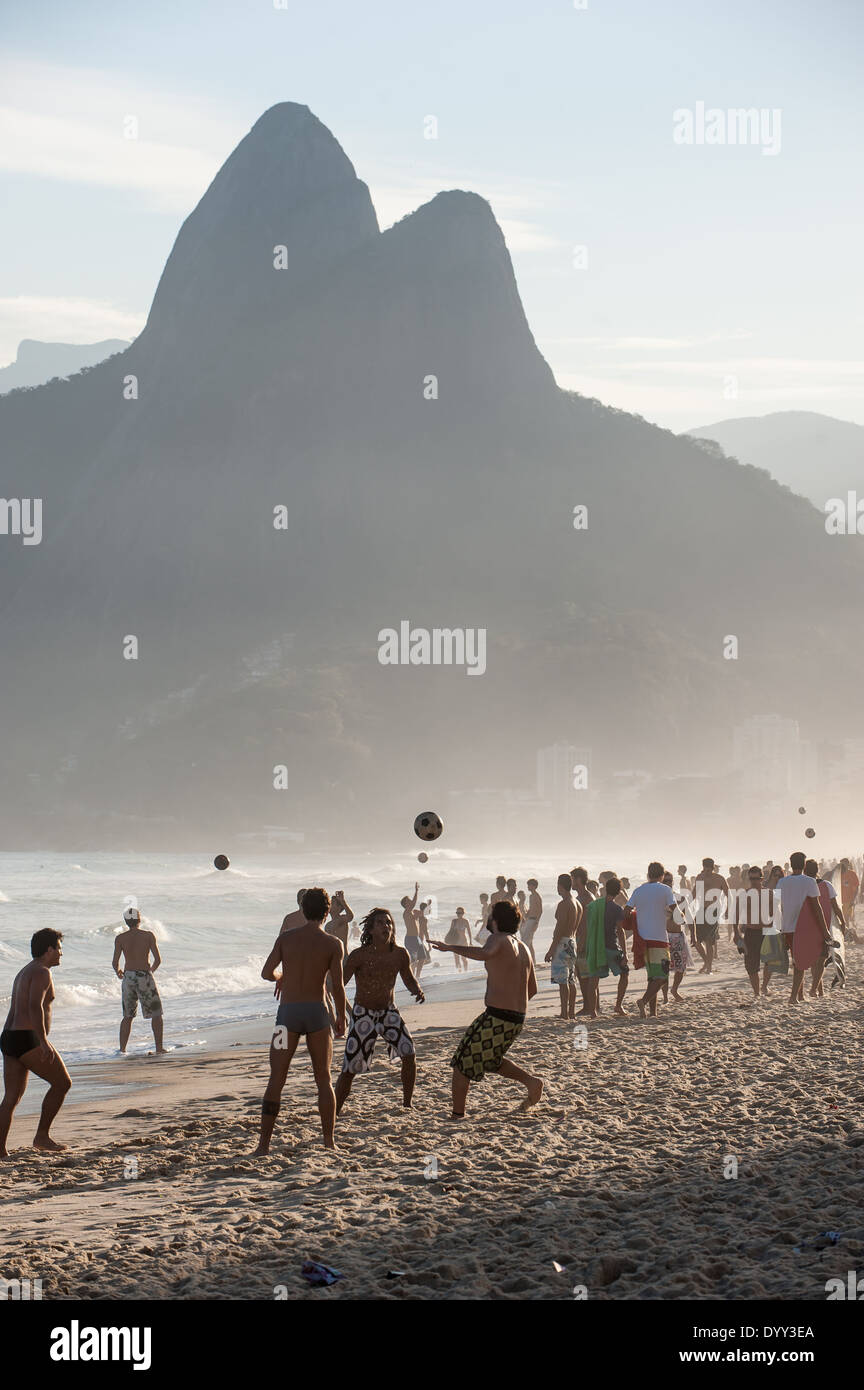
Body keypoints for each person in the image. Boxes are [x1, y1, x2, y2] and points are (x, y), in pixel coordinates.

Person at [253, 887, 345, 1154]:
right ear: (327, 912)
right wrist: (340, 1016)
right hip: (317, 1014)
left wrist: (282, 977)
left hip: (287, 1017)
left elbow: (266, 973)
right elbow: (338, 986)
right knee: (323, 1079)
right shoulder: (333, 944)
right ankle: (329, 1142)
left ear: (303, 910)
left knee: (276, 1079)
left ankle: (263, 1146)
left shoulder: (286, 939)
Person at [431, 901, 542, 1118]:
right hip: (517, 1018)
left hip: (497, 1016)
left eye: (490, 916)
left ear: (496, 920)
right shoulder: (524, 948)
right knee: (491, 1060)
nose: (488, 919)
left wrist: (450, 947)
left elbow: (485, 953)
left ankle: (457, 1115)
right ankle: (532, 1082)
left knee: (461, 1062)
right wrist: (513, 1005)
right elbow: (533, 989)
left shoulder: (498, 939)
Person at [335, 909, 424, 1113]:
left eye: (389, 923)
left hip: (388, 1012)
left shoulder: (400, 954)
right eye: (381, 923)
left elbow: (408, 978)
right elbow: (340, 984)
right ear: (371, 930)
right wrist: (339, 1009)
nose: (386, 926)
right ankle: (335, 1110)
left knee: (409, 1052)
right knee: (350, 1067)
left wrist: (417, 990)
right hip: (363, 1014)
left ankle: (407, 1103)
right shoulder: (359, 956)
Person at [0, 929, 70, 1157]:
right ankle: (42, 1137)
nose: (61, 953)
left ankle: (0, 1150)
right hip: (28, 1038)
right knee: (62, 1083)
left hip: (10, 1037)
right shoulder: (42, 971)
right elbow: (34, 1006)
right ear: (49, 949)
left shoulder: (25, 971)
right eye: (59, 948)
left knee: (11, 1097)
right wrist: (43, 1041)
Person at [776, 852, 831, 1006]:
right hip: (804, 927)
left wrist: (779, 928)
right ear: (804, 865)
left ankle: (800, 996)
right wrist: (825, 930)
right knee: (800, 964)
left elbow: (777, 906)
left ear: (791, 863)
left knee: (797, 960)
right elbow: (816, 907)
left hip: (787, 926)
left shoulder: (782, 882)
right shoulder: (809, 881)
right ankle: (793, 997)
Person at [624, 863, 677, 1018]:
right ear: (662, 875)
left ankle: (653, 1012)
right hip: (659, 939)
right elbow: (675, 909)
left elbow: (626, 911)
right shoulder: (665, 890)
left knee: (653, 978)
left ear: (648, 874)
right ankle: (643, 1001)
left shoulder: (638, 890)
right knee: (662, 977)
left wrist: (638, 918)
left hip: (643, 940)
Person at [112, 908, 165, 1055]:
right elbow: (158, 960)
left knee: (128, 1016)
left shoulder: (120, 938)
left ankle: (122, 1050)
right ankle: (159, 1048)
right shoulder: (148, 936)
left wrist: (119, 972)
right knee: (156, 1014)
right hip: (144, 975)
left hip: (128, 977)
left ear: (126, 921)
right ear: (139, 919)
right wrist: (150, 972)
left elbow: (115, 962)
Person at [584, 877, 629, 1016]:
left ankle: (593, 1012)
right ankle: (618, 1006)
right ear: (619, 892)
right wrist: (625, 954)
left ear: (605, 889)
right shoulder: (616, 909)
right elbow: (620, 931)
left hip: (596, 948)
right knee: (624, 973)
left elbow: (587, 926)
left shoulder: (593, 906)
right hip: (611, 948)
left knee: (593, 980)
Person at [731, 864, 775, 1002]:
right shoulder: (744, 894)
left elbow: (776, 913)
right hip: (751, 932)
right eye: (751, 879)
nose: (754, 881)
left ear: (762, 879)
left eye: (756, 879)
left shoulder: (769, 893)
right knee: (751, 964)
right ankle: (756, 992)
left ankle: (764, 987)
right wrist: (736, 933)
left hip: (767, 931)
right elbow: (736, 915)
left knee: (770, 962)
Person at [804, 859, 844, 998]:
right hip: (824, 926)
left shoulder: (803, 886)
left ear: (804, 871)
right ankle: (814, 989)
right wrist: (842, 921)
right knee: (821, 959)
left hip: (807, 926)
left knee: (815, 960)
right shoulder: (827, 885)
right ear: (817, 870)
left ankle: (818, 990)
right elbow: (835, 906)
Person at [545, 873, 580, 1020]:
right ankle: (571, 1012)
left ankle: (564, 1013)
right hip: (572, 941)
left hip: (563, 943)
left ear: (560, 886)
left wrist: (551, 950)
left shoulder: (564, 904)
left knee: (562, 981)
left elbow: (559, 929)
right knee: (571, 978)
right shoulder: (577, 903)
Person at [691, 858, 728, 974]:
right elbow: (693, 894)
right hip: (702, 909)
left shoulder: (719, 878)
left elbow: (728, 894)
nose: (706, 871)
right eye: (704, 868)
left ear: (712, 868)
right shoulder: (699, 877)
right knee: (695, 940)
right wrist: (686, 907)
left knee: (709, 940)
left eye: (708, 869)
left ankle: (709, 968)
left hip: (714, 910)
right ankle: (707, 962)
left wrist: (728, 909)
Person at [662, 871, 694, 1002]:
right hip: (663, 936)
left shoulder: (680, 898)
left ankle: (674, 990)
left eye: (669, 881)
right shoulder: (657, 900)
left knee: (680, 967)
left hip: (678, 936)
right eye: (665, 881)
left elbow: (689, 918)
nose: (667, 883)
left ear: (673, 882)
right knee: (664, 968)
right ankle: (665, 996)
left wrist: (694, 936)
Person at [402, 881, 429, 976]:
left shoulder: (414, 912)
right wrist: (416, 891)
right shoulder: (406, 912)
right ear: (406, 904)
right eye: (409, 900)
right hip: (410, 939)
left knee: (422, 958)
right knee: (413, 960)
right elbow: (414, 903)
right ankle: (410, 976)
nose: (411, 901)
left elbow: (425, 913)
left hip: (417, 938)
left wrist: (428, 905)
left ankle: (418, 976)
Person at [520, 878, 543, 961]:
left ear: (533, 886)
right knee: (529, 942)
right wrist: (526, 915)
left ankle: (526, 960)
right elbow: (531, 908)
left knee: (526, 941)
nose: (528, 887)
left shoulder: (537, 896)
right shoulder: (531, 896)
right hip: (529, 919)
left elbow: (540, 910)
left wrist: (537, 922)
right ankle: (533, 960)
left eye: (529, 885)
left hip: (533, 920)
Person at [840, 858, 859, 929]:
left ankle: (847, 931)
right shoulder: (838, 875)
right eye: (841, 864)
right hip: (839, 901)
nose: (842, 866)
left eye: (844, 864)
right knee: (841, 919)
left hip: (848, 900)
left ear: (848, 864)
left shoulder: (852, 874)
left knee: (846, 918)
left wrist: (853, 900)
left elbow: (856, 888)